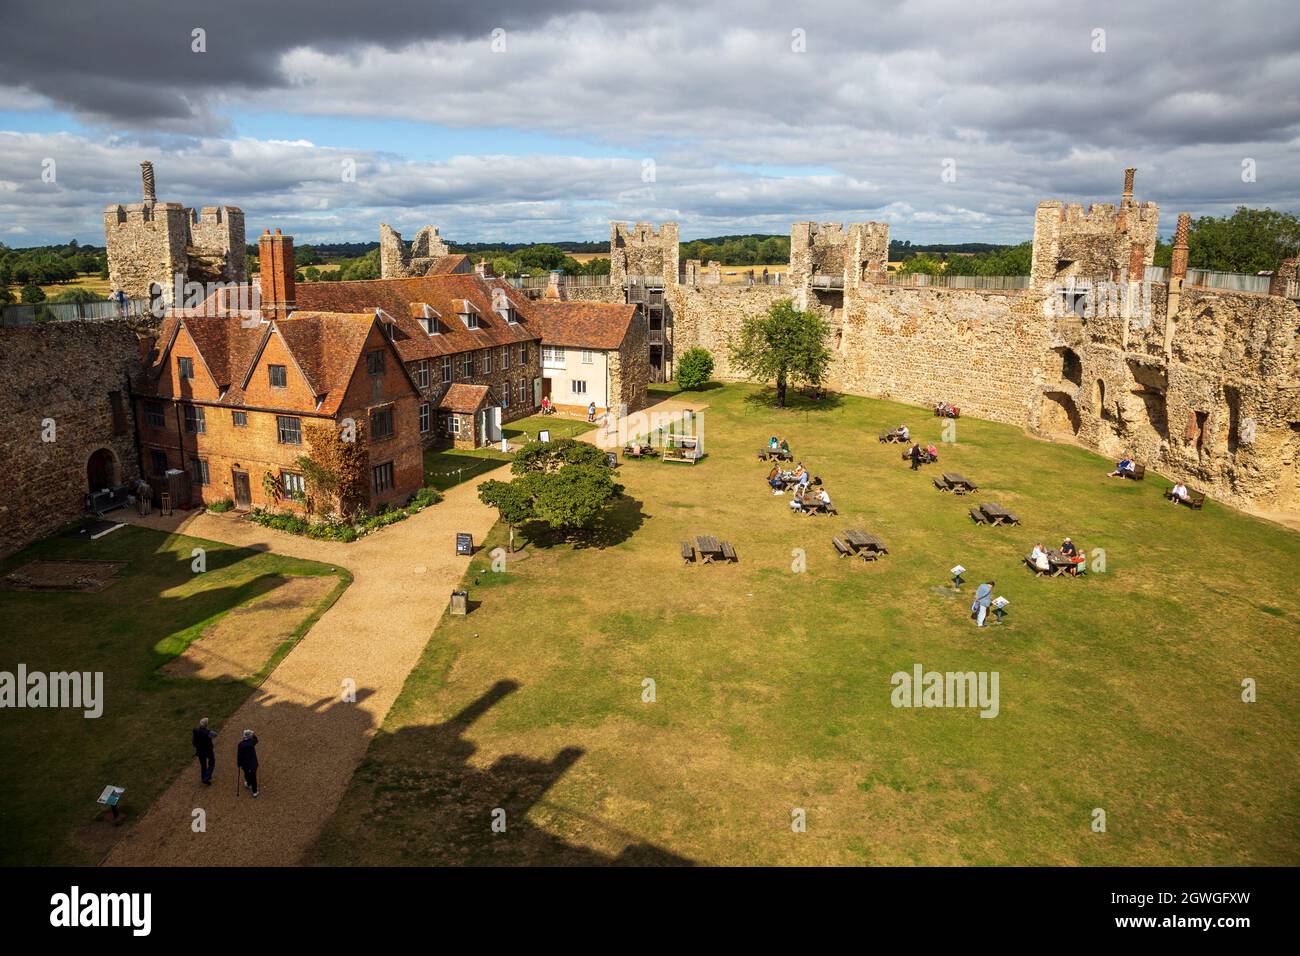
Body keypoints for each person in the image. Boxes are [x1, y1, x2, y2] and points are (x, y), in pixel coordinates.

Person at [192, 717, 216, 785]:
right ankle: (206, 778)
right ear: (206, 725)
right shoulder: (208, 732)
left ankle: (203, 778)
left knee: (203, 765)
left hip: (200, 751)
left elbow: (193, 742)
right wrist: (207, 730)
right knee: (212, 762)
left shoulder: (195, 731)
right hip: (208, 750)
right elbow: (215, 734)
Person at [236, 729, 260, 798]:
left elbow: (239, 755)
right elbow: (256, 739)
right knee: (253, 777)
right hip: (253, 764)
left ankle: (249, 784)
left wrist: (239, 763)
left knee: (246, 774)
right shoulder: (252, 742)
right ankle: (255, 792)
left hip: (245, 764)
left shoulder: (240, 744)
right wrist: (253, 734)